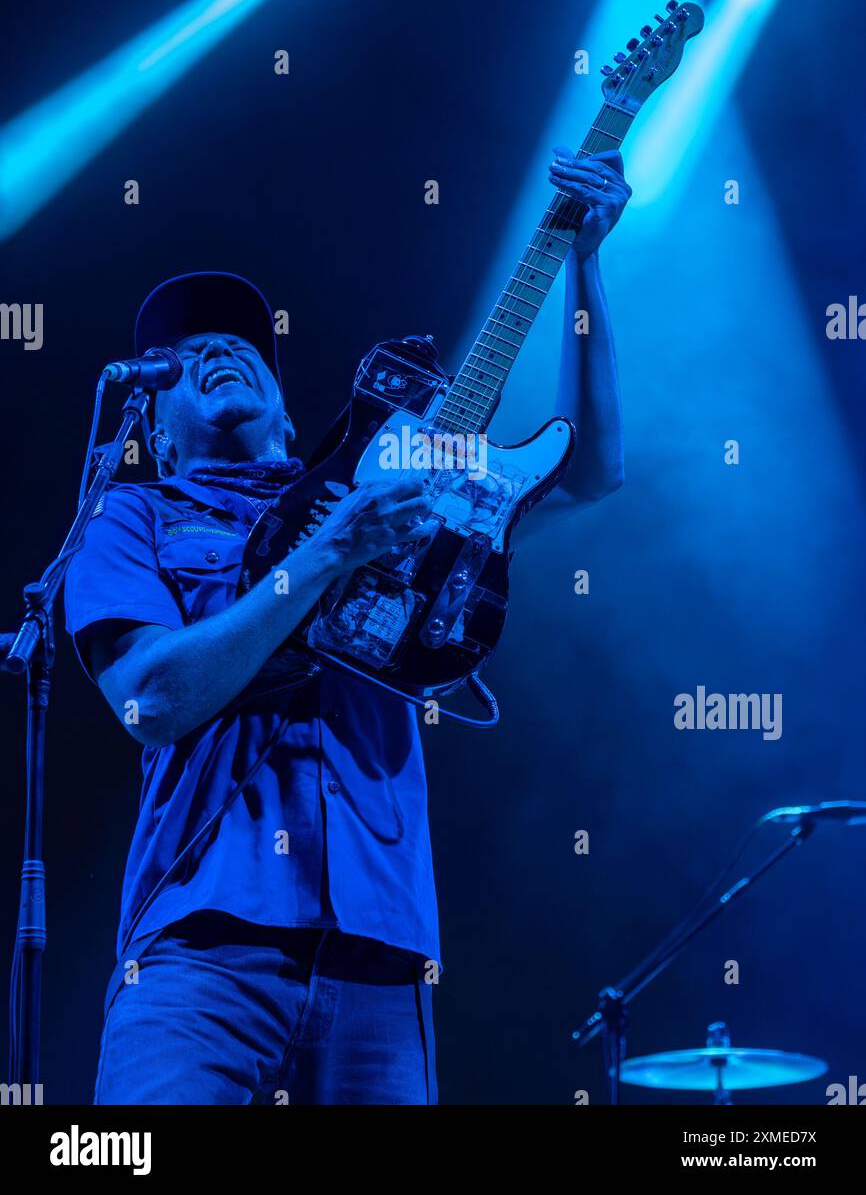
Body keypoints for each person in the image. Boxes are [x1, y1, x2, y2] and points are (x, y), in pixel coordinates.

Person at [64, 147, 630, 1105]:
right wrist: (327, 553)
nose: (216, 345)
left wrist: (586, 262)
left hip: (383, 949)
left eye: (243, 341)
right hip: (201, 946)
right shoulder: (133, 518)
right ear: (153, 433)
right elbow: (152, 697)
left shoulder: (391, 493)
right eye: (189, 348)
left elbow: (589, 471)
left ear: (291, 419)